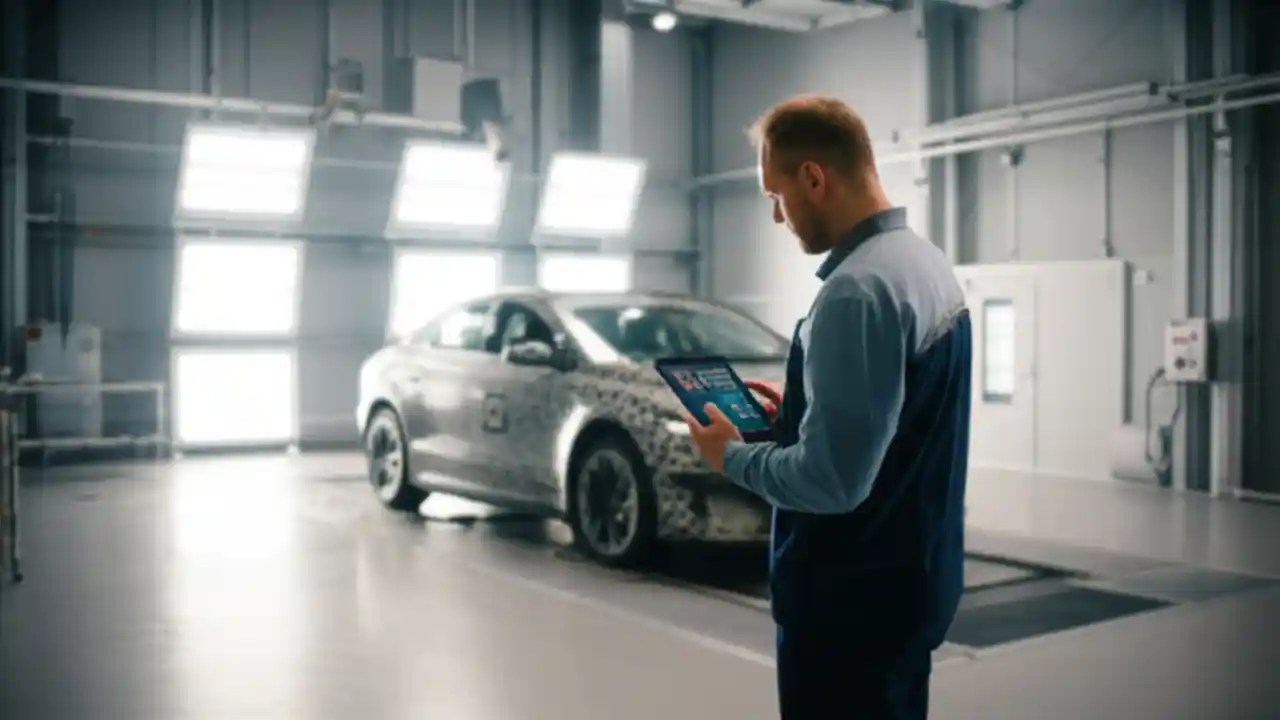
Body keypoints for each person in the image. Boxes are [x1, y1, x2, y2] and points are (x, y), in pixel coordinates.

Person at [683, 95, 972, 719]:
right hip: (909, 585)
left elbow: (832, 481)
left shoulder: (855, 291)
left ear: (814, 178)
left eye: (776, 195)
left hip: (848, 610)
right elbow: (904, 420)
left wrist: (729, 455)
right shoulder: (922, 263)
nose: (777, 217)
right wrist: (802, 410)